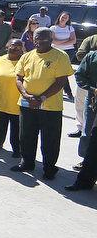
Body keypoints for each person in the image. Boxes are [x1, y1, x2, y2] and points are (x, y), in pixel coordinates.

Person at [12, 27, 73, 179]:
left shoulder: (60, 56)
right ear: (33, 39)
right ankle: (27, 162)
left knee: (50, 139)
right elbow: (19, 78)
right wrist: (26, 95)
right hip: (27, 104)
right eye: (37, 39)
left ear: (51, 40)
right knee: (26, 135)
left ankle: (49, 167)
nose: (40, 43)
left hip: (50, 107)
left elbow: (60, 82)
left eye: (44, 40)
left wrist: (41, 98)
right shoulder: (27, 56)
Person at [0, 40, 24, 157]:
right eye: (13, 45)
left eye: (18, 47)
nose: (15, 48)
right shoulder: (0, 59)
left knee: (16, 129)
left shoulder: (24, 61)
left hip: (16, 103)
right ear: (7, 47)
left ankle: (17, 149)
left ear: (22, 49)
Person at [67, 47, 97, 191]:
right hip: (93, 102)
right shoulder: (92, 56)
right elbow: (79, 76)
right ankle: (85, 164)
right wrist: (93, 89)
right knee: (88, 133)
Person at [51, 11, 77, 103]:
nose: (64, 19)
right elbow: (53, 41)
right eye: (63, 17)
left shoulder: (70, 28)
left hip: (68, 52)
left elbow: (73, 41)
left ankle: (68, 92)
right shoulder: (53, 28)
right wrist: (67, 40)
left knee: (63, 72)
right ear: (59, 17)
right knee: (58, 72)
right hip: (56, 52)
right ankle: (61, 90)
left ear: (68, 19)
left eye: (66, 17)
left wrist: (60, 42)